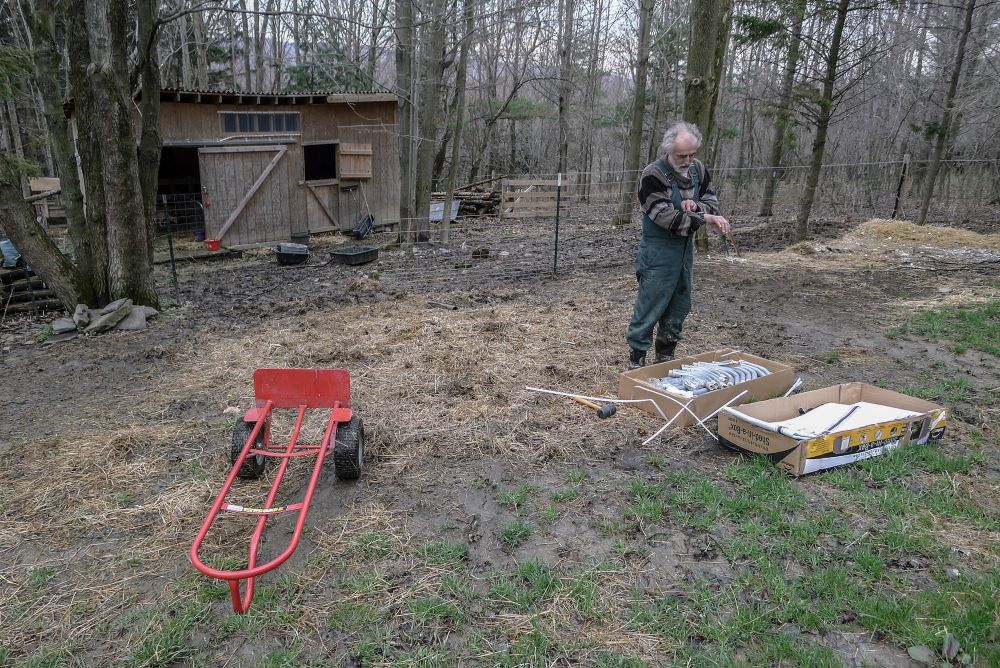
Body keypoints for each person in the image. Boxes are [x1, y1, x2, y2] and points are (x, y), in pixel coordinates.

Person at [626, 121, 730, 369]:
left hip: (684, 251)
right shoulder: (653, 175)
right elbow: (666, 218)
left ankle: (665, 357)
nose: (688, 160)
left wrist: (697, 208)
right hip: (658, 251)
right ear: (669, 150)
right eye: (682, 155)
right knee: (650, 305)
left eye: (692, 154)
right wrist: (704, 218)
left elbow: (711, 201)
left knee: (679, 304)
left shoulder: (698, 171)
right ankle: (637, 359)